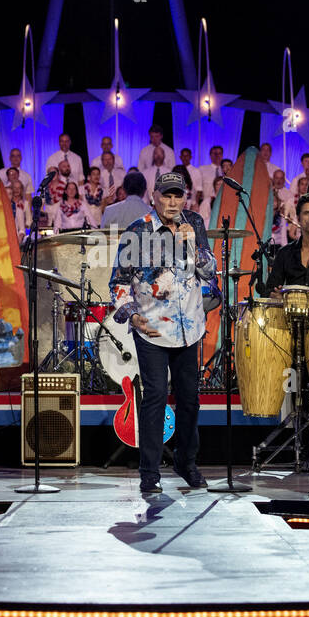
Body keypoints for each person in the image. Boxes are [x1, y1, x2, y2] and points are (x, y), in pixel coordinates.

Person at [110, 172, 216, 493]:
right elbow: (118, 282)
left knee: (190, 400)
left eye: (178, 196)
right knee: (155, 398)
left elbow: (210, 270)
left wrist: (193, 247)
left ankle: (186, 462)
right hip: (153, 330)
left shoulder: (194, 224)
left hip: (190, 329)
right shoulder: (138, 231)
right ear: (153, 195)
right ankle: (149, 473)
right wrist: (131, 314)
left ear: (185, 198)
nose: (172, 202)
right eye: (166, 195)